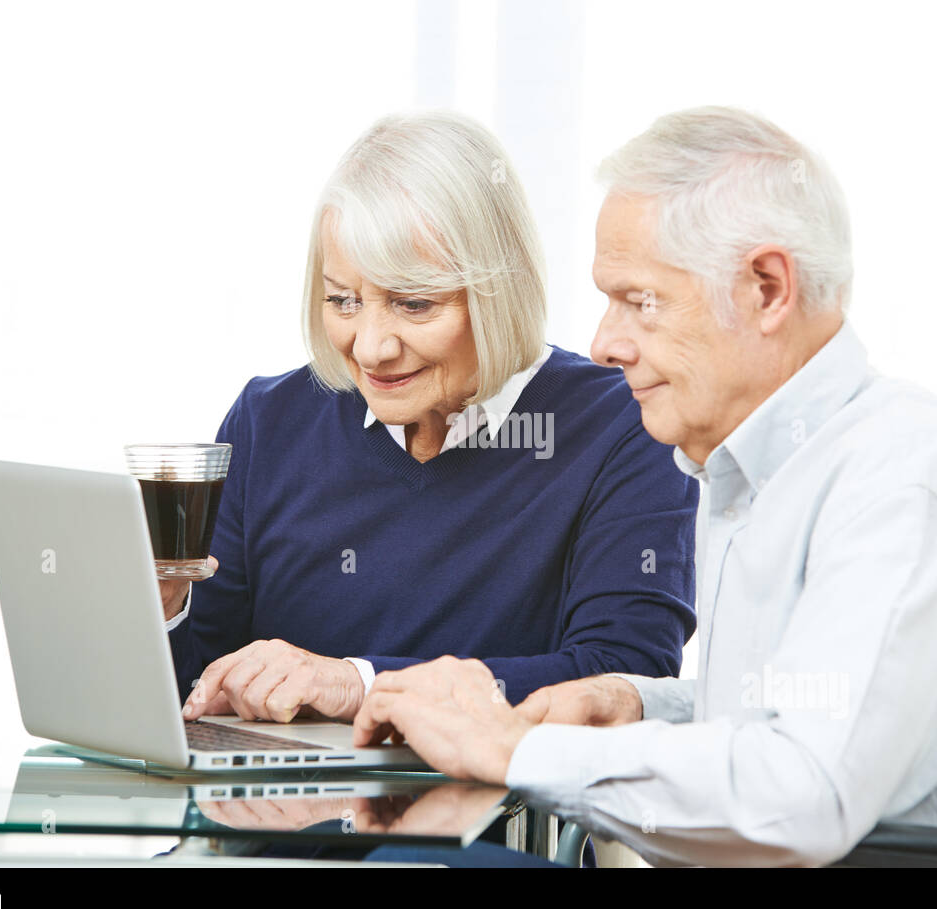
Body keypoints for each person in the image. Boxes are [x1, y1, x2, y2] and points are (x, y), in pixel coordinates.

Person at [351, 106, 937, 867]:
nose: (603, 342)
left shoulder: (909, 477)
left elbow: (802, 795)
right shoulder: (762, 468)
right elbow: (794, 721)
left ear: (766, 288)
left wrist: (520, 749)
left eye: (638, 299)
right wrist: (635, 702)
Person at [168, 110, 698, 726]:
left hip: (487, 820)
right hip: (264, 817)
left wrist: (362, 685)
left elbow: (623, 679)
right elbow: (199, 695)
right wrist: (164, 612)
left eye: (413, 303)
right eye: (343, 299)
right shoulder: (269, 421)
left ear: (501, 291)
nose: (370, 348)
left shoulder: (621, 425)